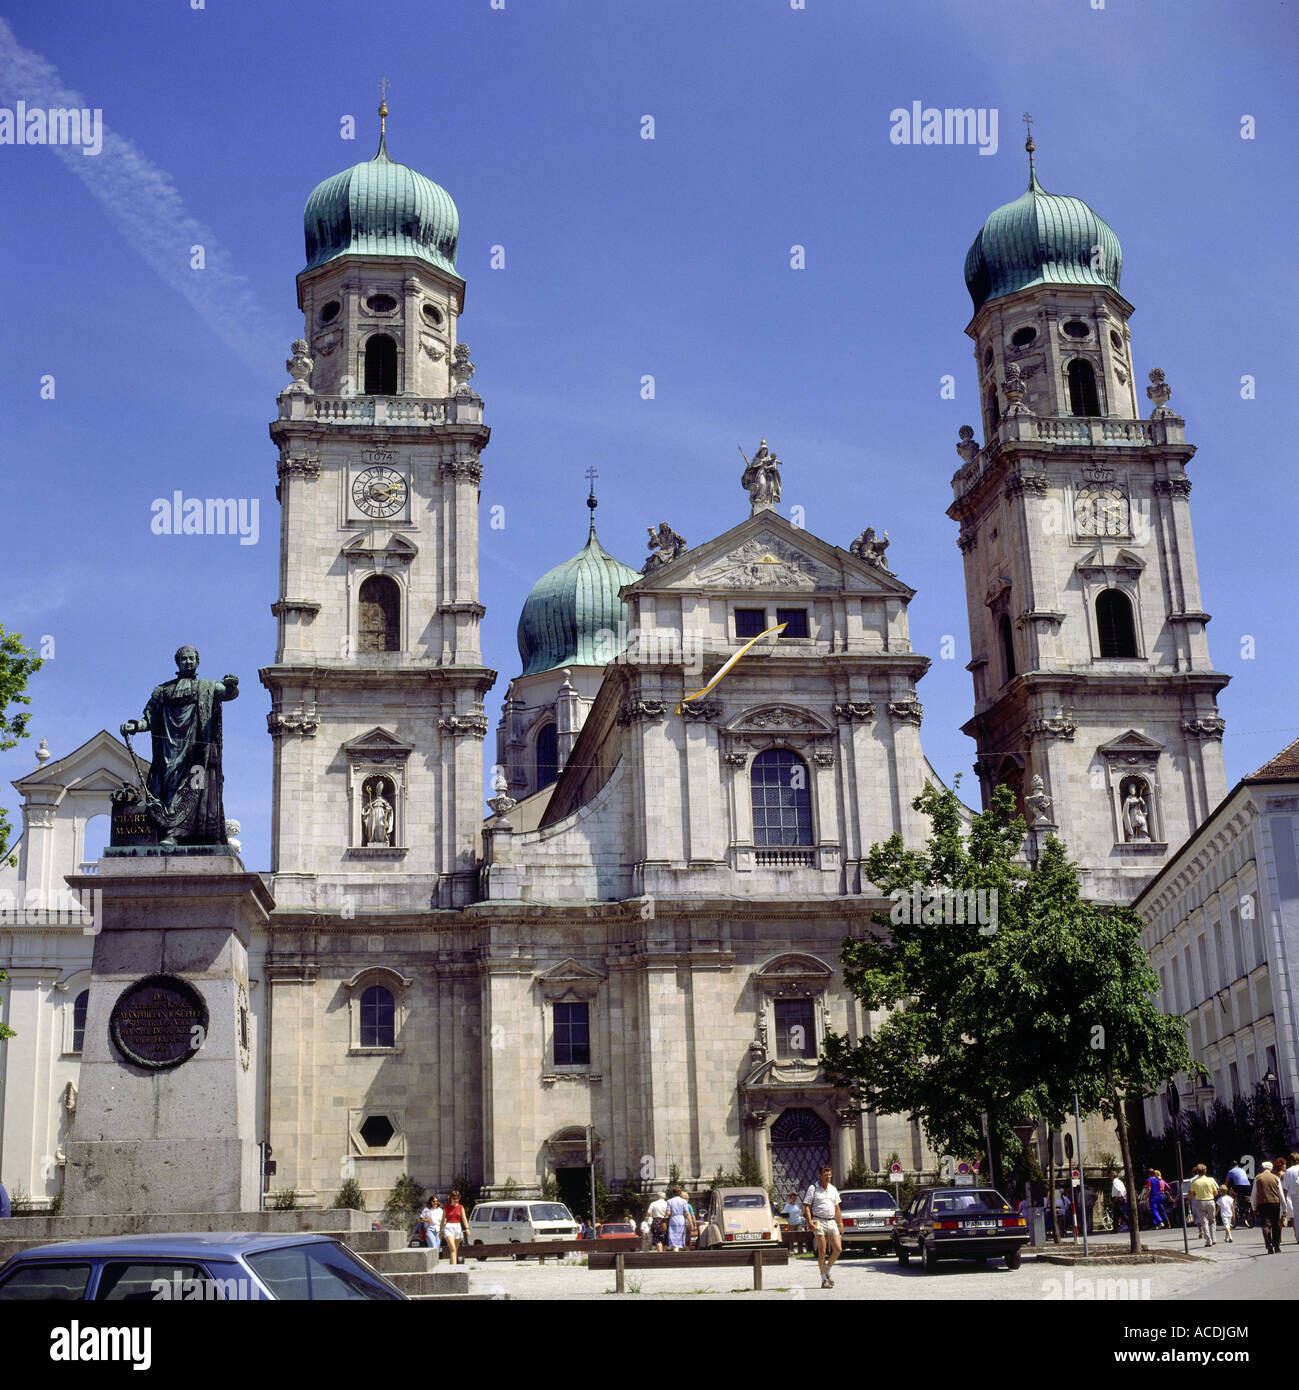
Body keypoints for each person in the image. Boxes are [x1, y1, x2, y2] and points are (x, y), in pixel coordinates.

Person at [803, 1164, 843, 1290]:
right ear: (819, 1175)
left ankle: (827, 1270)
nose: (828, 1177)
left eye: (830, 1175)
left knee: (838, 1249)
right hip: (818, 1221)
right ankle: (823, 1279)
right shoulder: (813, 1188)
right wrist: (809, 1221)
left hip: (831, 1222)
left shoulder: (833, 1189)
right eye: (826, 1175)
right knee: (822, 1250)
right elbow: (807, 1206)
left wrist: (840, 1223)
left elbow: (837, 1208)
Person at [1251, 1162, 1283, 1254]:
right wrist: (1284, 1207)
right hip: (1275, 1203)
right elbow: (1280, 1194)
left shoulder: (1258, 1178)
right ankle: (1277, 1247)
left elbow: (1254, 1195)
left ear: (1262, 1168)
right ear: (1271, 1168)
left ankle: (1269, 1245)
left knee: (1265, 1225)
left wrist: (1254, 1208)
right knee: (1276, 1225)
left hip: (1262, 1204)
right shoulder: (1276, 1178)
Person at [1188, 1166, 1219, 1245]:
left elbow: (1191, 1194)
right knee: (1212, 1220)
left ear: (1197, 1172)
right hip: (1210, 1201)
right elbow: (1216, 1193)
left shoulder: (1194, 1181)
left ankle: (1208, 1241)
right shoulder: (1210, 1180)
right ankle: (1214, 1239)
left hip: (1199, 1202)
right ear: (1205, 1171)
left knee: (1204, 1222)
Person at [665, 1187, 695, 1251]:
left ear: (673, 1193)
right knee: (680, 1234)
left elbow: (668, 1213)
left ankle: (675, 1248)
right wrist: (691, 1224)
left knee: (673, 1234)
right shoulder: (684, 1201)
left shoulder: (669, 1201)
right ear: (680, 1193)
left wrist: (665, 1218)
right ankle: (680, 1248)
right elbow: (687, 1213)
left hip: (673, 1219)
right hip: (681, 1219)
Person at [443, 1190, 468, 1264]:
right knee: (453, 1249)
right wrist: (441, 1231)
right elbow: (442, 1220)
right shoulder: (446, 1207)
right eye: (454, 1198)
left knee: (454, 1251)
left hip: (457, 1227)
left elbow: (464, 1218)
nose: (456, 1200)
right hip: (449, 1227)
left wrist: (467, 1228)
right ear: (451, 1198)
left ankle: (451, 1267)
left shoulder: (461, 1207)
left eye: (458, 1198)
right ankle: (454, 1269)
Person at [418, 1194, 443, 1262]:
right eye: (433, 1201)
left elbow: (443, 1221)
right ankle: (433, 1262)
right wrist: (427, 1220)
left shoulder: (440, 1210)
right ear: (430, 1202)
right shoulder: (427, 1210)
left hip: (438, 1231)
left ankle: (433, 1262)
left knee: (437, 1249)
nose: (435, 1203)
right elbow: (421, 1219)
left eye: (436, 1201)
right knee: (434, 1247)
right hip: (429, 1230)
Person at [1282, 1153, 1299, 1244]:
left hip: (1294, 1196)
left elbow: (1285, 1187)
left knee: (1297, 1217)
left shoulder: (1289, 1171)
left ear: (1291, 1161)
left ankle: (1298, 1237)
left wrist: (1283, 1200)